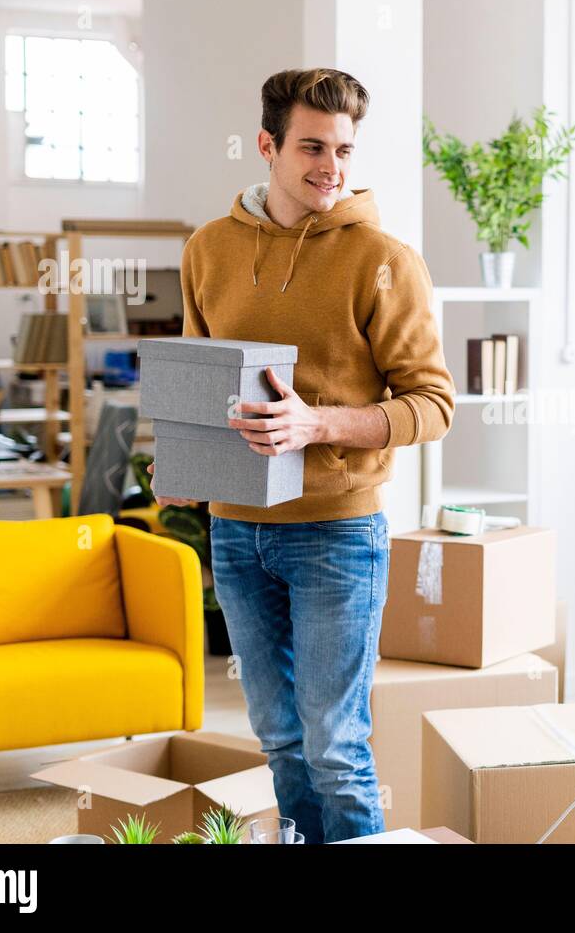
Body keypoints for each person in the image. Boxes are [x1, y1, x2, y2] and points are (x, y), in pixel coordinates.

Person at [149, 67, 454, 842]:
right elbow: (199, 371)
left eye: (345, 149)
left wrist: (316, 426)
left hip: (336, 535)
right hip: (235, 531)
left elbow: (432, 405)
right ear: (267, 146)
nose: (332, 167)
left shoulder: (384, 260)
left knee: (336, 748)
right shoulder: (209, 249)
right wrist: (182, 462)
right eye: (313, 146)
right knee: (280, 740)